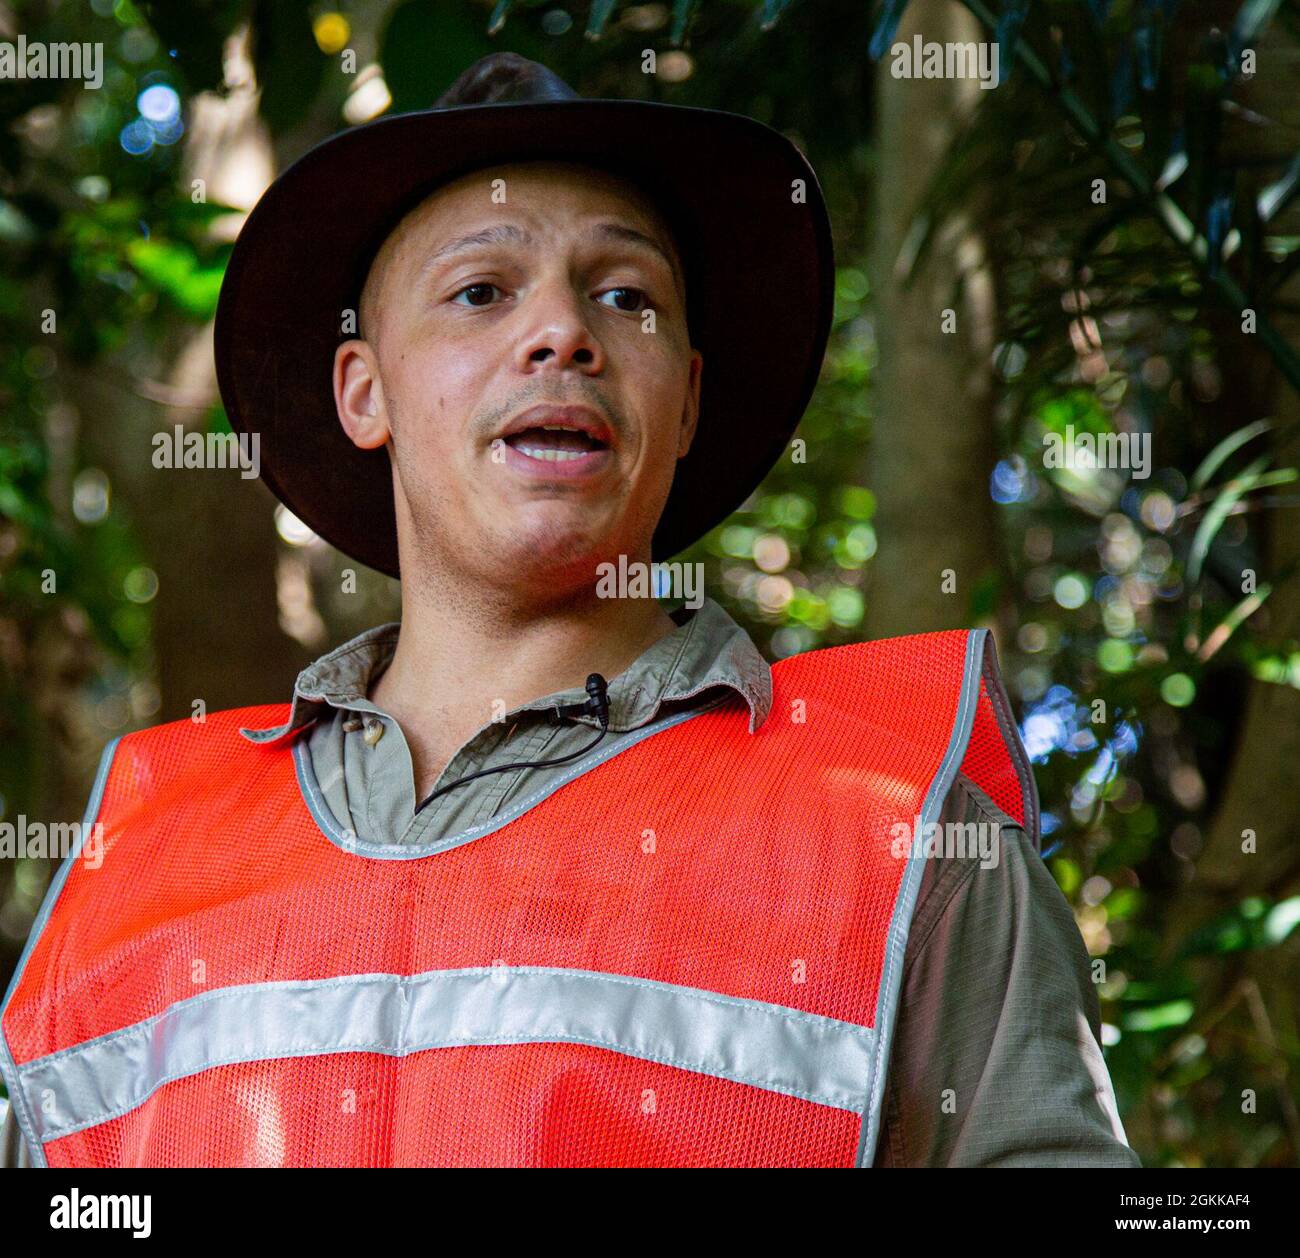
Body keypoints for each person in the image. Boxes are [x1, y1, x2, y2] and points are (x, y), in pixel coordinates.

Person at [0, 53, 1138, 1168]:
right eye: (481, 291)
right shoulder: (133, 851)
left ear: (684, 400)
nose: (562, 334)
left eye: (623, 295)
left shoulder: (902, 833)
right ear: (365, 391)